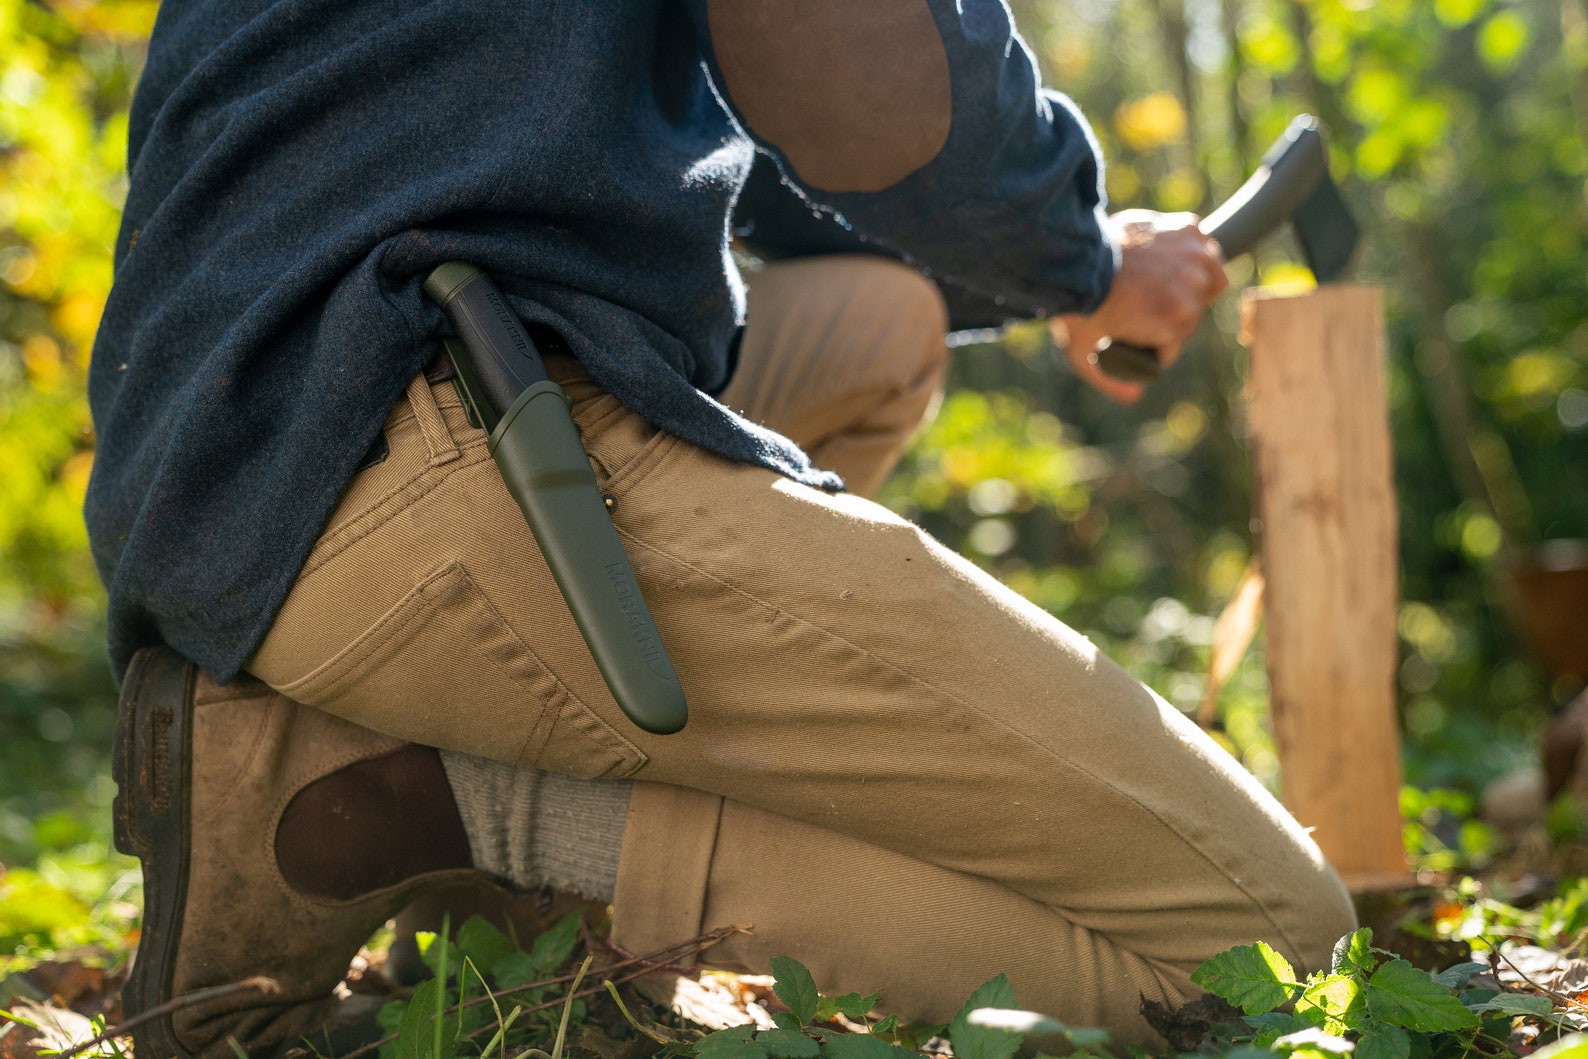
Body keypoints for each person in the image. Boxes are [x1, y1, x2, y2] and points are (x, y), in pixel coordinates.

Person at [89, 3, 1358, 1058]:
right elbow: (866, 65)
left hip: (229, 474)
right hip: (457, 440)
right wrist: (1080, 252)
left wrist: (1065, 266)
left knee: (879, 324)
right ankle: (472, 824)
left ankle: (398, 753)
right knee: (1274, 951)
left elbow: (750, 136)